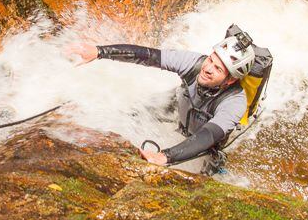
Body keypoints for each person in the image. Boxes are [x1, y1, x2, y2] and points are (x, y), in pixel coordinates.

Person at [66, 32, 257, 170]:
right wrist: (99, 52)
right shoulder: (194, 63)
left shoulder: (234, 102)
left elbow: (209, 135)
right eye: (210, 60)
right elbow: (149, 56)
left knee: (207, 174)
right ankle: (83, 115)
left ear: (230, 80)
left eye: (218, 69)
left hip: (205, 138)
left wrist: (164, 157)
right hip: (179, 103)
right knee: (133, 113)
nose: (207, 69)